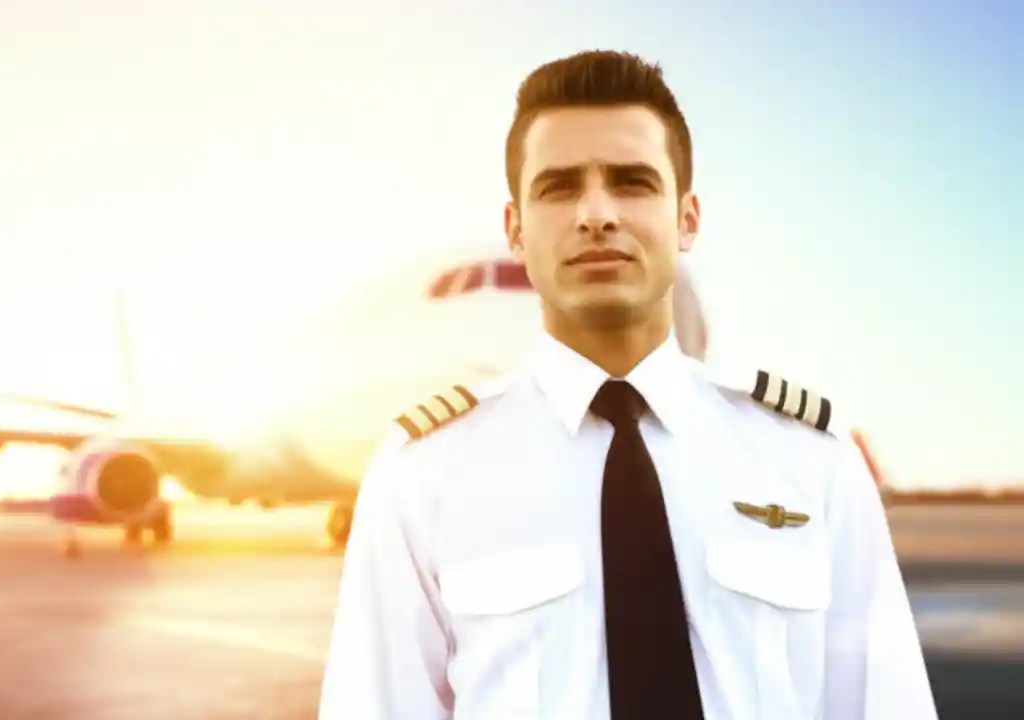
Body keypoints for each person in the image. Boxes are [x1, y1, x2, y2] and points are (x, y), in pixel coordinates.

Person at [318, 49, 936, 719]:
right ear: (515, 229)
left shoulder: (812, 460)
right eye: (558, 187)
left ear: (688, 218)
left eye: (633, 182)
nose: (596, 214)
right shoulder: (424, 474)